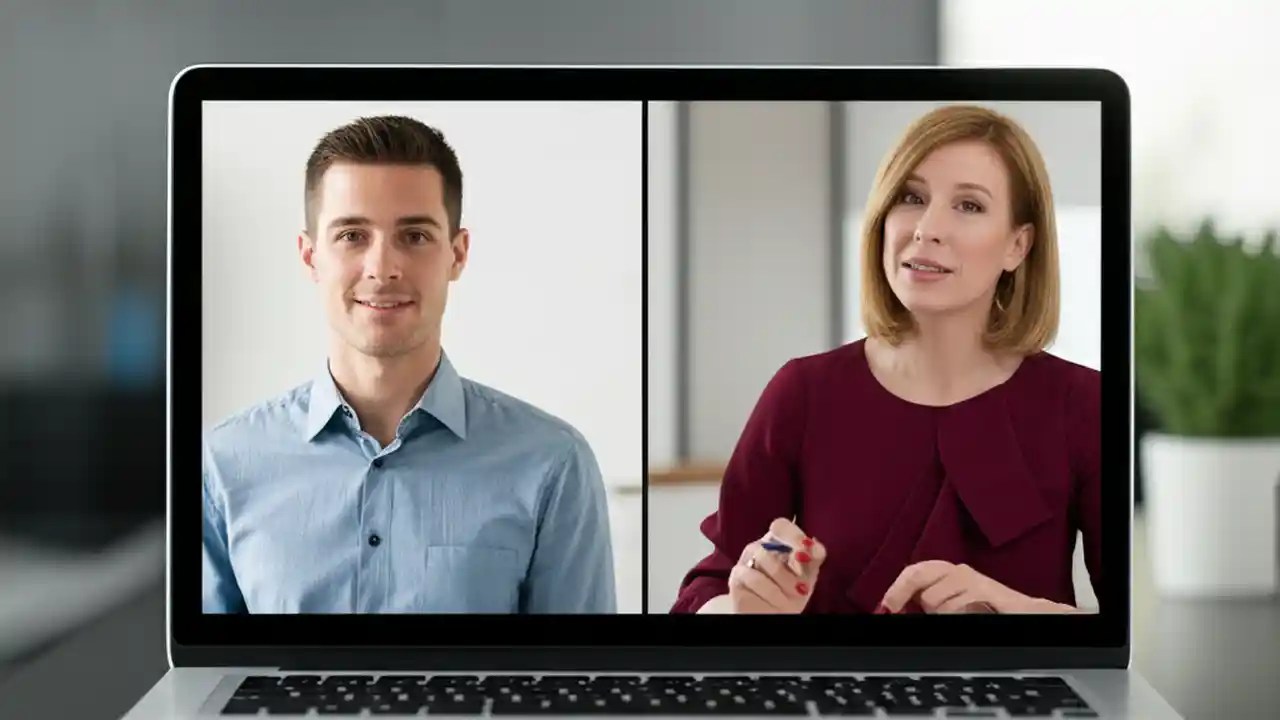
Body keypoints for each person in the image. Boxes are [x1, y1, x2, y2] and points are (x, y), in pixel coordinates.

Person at [672, 105, 1100, 615]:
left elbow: (1123, 639)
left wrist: (1018, 613)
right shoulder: (803, 392)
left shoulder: (1084, 405)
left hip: (1015, 692)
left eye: (968, 206)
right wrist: (744, 609)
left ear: (1017, 245)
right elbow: (703, 596)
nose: (926, 227)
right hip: (828, 693)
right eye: (911, 197)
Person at [202, 115, 616, 614]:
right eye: (353, 235)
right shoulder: (221, 466)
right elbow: (209, 677)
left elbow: (573, 680)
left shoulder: (553, 465)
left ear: (457, 254)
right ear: (310, 257)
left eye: (414, 236)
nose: (383, 267)